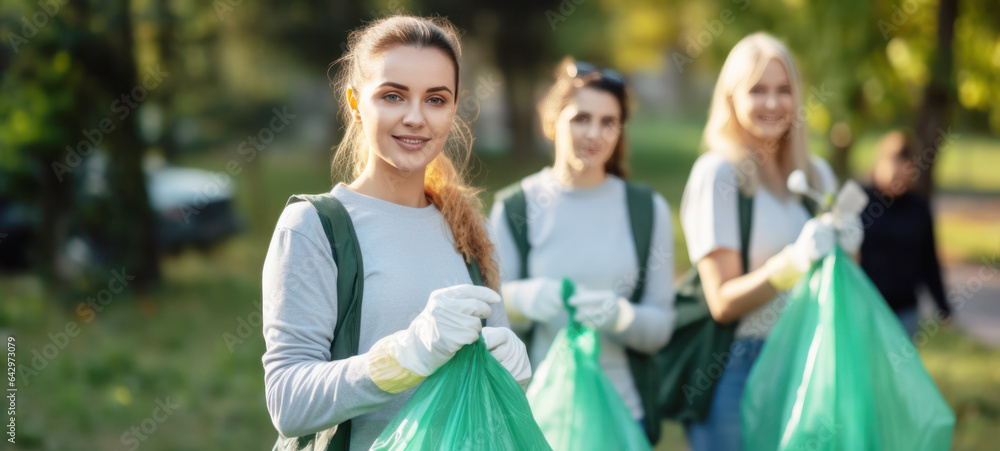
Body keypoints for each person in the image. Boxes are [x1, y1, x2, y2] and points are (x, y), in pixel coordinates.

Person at [261, 15, 530, 451]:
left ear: (454, 108)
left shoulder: (468, 228)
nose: (415, 118)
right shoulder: (315, 227)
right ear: (354, 102)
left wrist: (512, 375)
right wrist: (404, 357)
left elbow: (493, 403)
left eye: (436, 99)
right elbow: (288, 403)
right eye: (393, 96)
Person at [678, 32, 860, 450]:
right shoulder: (718, 174)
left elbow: (844, 283)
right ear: (731, 98)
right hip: (736, 367)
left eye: (783, 90)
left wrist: (850, 245)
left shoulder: (817, 174)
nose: (773, 103)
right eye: (757, 90)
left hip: (808, 359)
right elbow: (722, 302)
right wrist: (792, 263)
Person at [490, 57, 676, 437]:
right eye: (581, 119)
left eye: (608, 122)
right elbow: (490, 317)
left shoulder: (646, 209)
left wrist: (621, 317)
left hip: (625, 417)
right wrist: (521, 299)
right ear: (553, 120)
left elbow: (661, 327)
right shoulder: (516, 208)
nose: (594, 134)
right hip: (541, 419)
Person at [859, 130, 952, 338]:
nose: (897, 175)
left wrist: (943, 306)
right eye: (893, 166)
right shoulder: (860, 200)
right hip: (865, 306)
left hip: (905, 308)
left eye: (905, 168)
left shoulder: (918, 208)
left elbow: (929, 259)